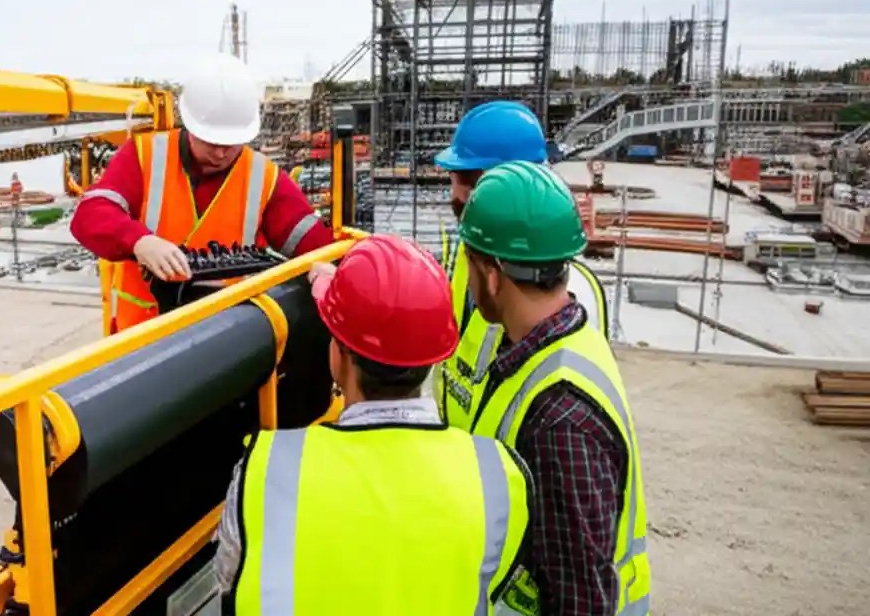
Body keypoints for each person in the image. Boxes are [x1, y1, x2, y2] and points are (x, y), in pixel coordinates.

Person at [214, 233, 532, 615]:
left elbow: (230, 585)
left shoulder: (265, 472)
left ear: (339, 354)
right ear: (433, 355)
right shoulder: (498, 477)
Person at [456, 161, 651, 616]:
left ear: (491, 275)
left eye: (468, 261)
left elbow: (580, 600)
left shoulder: (560, 420)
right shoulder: (566, 340)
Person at [71, 53, 332, 332]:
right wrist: (139, 242)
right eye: (212, 142)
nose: (221, 153)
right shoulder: (145, 155)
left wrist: (323, 263)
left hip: (226, 339)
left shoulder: (263, 177)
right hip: (144, 341)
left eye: (231, 144)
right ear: (190, 126)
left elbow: (313, 243)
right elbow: (90, 216)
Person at [431, 100, 611, 431]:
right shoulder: (473, 251)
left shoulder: (567, 293)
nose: (450, 192)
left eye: (456, 177)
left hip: (514, 459)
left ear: (492, 186)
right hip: (471, 456)